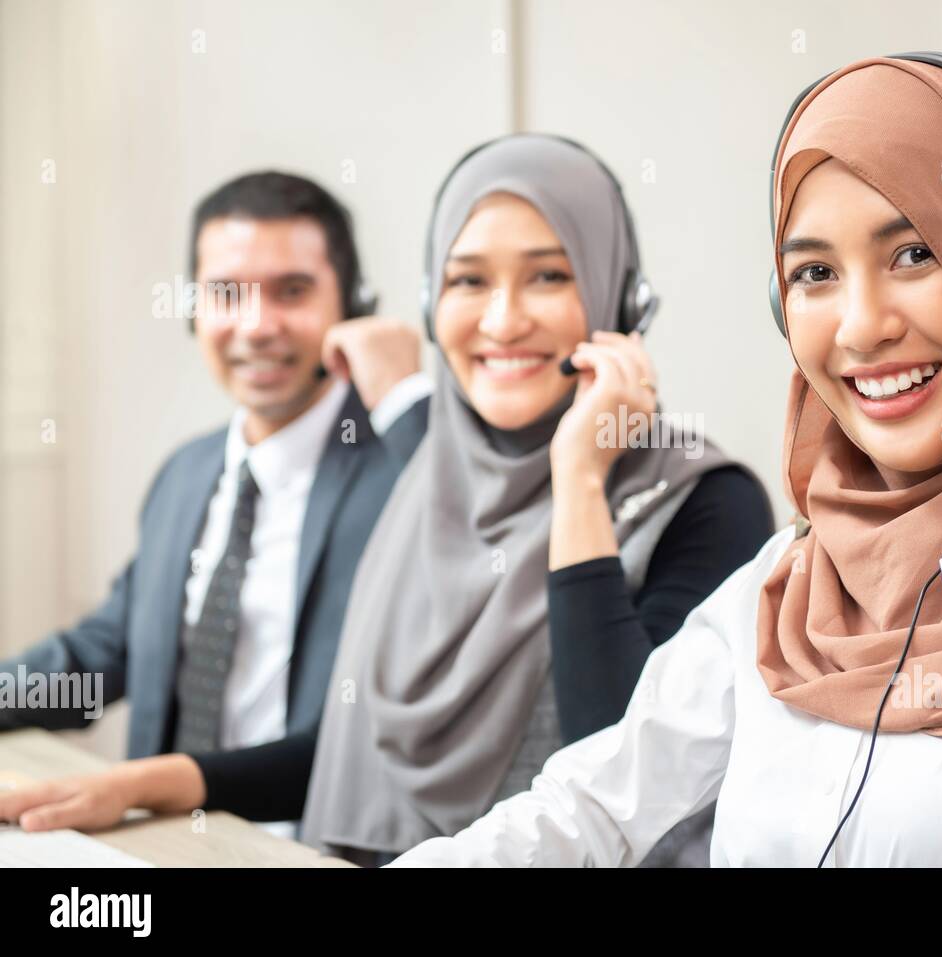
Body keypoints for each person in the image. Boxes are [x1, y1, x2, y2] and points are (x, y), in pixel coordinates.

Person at [387, 56, 942, 868]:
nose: (861, 327)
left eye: (915, 252)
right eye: (815, 273)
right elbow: (588, 810)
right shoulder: (798, 572)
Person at [298, 134, 774, 866]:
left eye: (549, 276)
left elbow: (622, 779)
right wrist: (182, 775)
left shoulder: (707, 499)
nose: (502, 320)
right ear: (431, 303)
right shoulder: (424, 477)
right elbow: (352, 733)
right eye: (468, 282)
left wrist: (580, 479)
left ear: (620, 299)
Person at [0, 171, 430, 836]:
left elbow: (387, 738)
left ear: (353, 303)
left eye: (292, 290)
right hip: (169, 845)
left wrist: (411, 400)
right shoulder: (188, 472)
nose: (256, 326)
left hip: (317, 849)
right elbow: (103, 649)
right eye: (226, 293)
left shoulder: (408, 477)